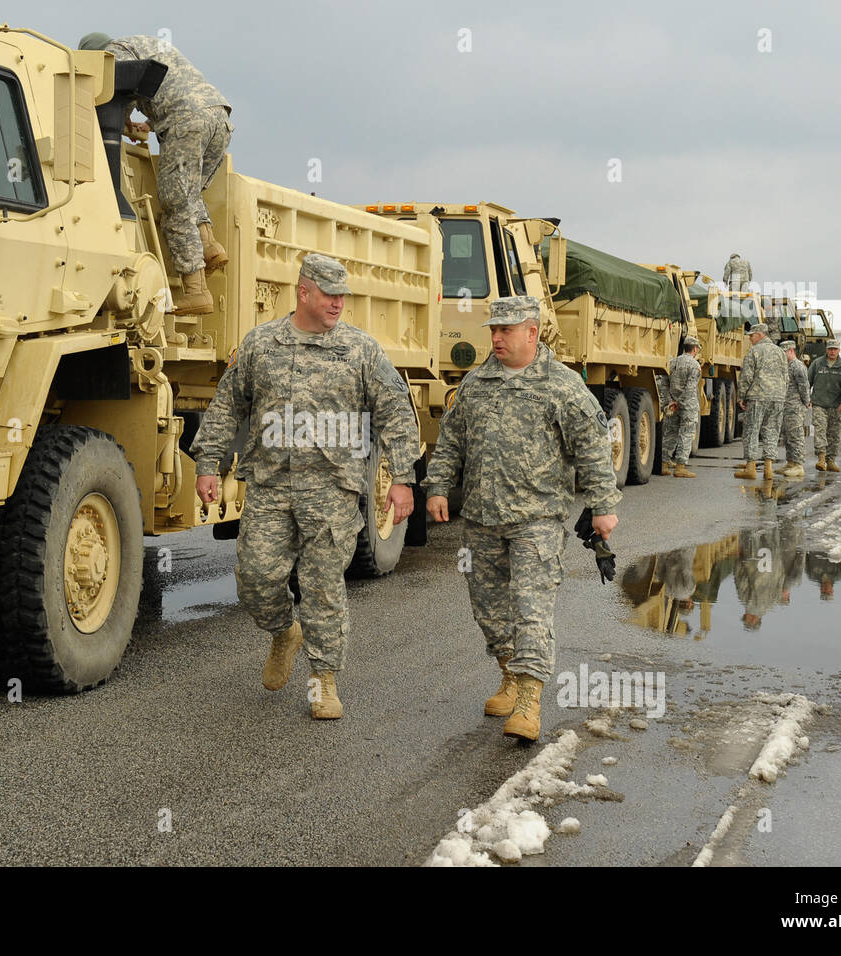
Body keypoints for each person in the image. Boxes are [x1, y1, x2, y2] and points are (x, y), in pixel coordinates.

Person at [189, 254, 419, 719]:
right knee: (255, 579)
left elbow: (396, 411)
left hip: (333, 489)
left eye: (342, 296)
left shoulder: (360, 350)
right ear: (304, 293)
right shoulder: (261, 345)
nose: (338, 303)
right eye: (329, 294)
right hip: (271, 486)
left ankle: (324, 681)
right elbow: (228, 406)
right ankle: (283, 632)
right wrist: (207, 463)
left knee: (323, 588)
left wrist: (402, 477)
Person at [424, 296, 620, 742]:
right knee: (489, 610)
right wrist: (437, 486)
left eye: (506, 330)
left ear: (531, 332)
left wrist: (603, 505)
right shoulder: (477, 383)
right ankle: (509, 676)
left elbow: (592, 447)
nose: (496, 337)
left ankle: (530, 701)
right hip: (481, 519)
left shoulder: (562, 386)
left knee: (531, 610)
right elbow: (452, 438)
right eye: (493, 329)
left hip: (538, 520)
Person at [80, 32, 233, 316]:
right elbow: (165, 89)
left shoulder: (115, 53)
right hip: (217, 117)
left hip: (185, 121)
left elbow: (110, 96)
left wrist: (118, 121)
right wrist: (139, 123)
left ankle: (196, 291)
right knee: (188, 193)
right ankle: (209, 245)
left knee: (176, 203)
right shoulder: (141, 44)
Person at [734, 323, 788, 480]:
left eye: (751, 335)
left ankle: (750, 468)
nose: (750, 338)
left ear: (760, 335)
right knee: (772, 431)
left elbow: (746, 376)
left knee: (751, 430)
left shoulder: (754, 351)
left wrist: (741, 396)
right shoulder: (780, 352)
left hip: (758, 396)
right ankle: (768, 469)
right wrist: (781, 394)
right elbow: (786, 376)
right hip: (777, 397)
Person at [659, 336, 701, 478]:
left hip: (672, 404)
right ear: (694, 349)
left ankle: (664, 464)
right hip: (688, 405)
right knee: (686, 434)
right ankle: (680, 466)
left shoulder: (672, 362)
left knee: (670, 432)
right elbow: (690, 388)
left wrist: (670, 401)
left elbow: (663, 383)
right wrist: (681, 401)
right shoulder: (694, 365)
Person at [808, 339, 841, 472]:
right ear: (826, 350)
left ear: (839, 351)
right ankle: (821, 458)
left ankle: (831, 461)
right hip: (819, 404)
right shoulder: (818, 363)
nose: (832, 351)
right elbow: (808, 381)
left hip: (837, 406)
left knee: (834, 434)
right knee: (820, 430)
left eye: (835, 349)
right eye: (830, 349)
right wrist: (807, 397)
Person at [779, 340, 811, 477]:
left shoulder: (798, 366)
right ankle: (791, 462)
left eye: (784, 352)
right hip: (786, 407)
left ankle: (798, 465)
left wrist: (807, 401)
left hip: (795, 407)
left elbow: (804, 386)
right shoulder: (785, 366)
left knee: (796, 435)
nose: (782, 355)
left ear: (791, 351)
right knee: (787, 436)